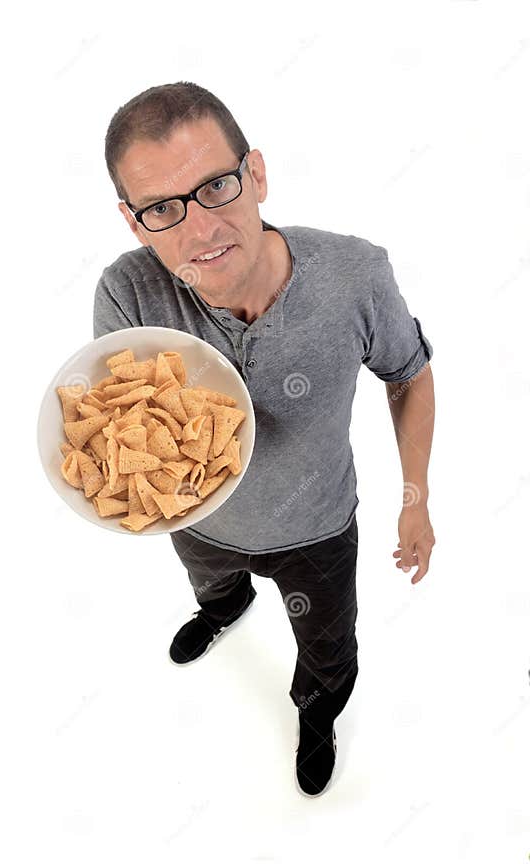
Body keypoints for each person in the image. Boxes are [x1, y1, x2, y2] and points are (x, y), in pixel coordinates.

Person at [93, 81, 436, 797]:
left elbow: (408, 376)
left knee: (327, 650)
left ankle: (317, 715)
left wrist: (415, 498)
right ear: (135, 222)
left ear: (256, 174)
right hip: (199, 523)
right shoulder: (126, 294)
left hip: (318, 532)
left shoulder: (355, 275)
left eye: (215, 186)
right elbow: (126, 423)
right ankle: (223, 609)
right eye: (162, 208)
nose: (197, 231)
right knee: (211, 583)